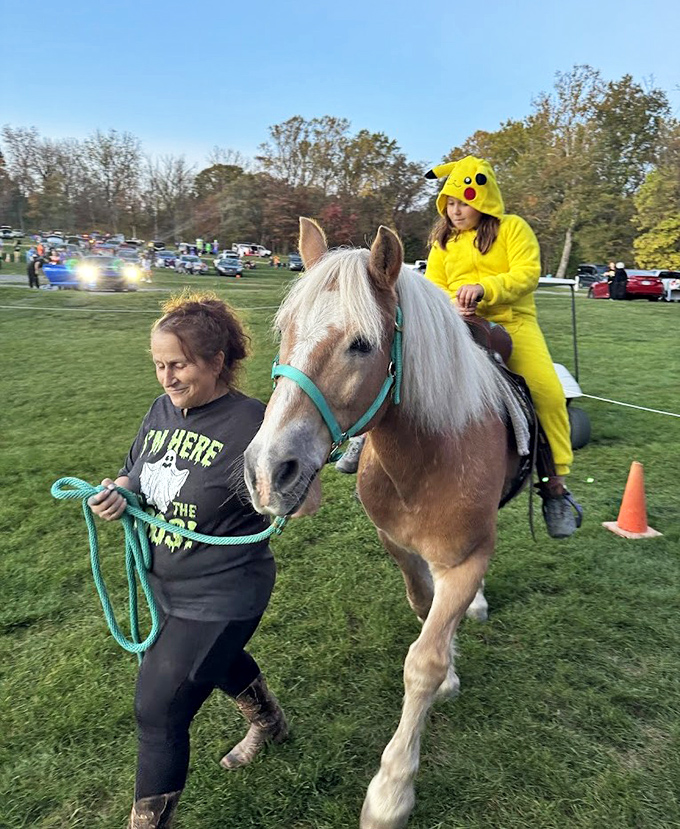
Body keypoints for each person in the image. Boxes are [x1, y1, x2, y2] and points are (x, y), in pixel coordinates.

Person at [87, 293, 289, 828]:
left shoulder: (253, 422)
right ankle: (269, 720)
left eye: (178, 364)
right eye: (159, 365)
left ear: (216, 361)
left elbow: (298, 496)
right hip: (166, 587)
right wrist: (118, 492)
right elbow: (133, 472)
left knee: (158, 708)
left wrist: (290, 484)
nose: (167, 378)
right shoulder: (161, 410)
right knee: (208, 663)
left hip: (223, 593)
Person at [425, 156, 581, 537]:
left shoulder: (513, 228)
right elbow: (432, 285)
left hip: (515, 324)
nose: (455, 211)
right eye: (449, 203)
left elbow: (527, 274)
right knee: (407, 369)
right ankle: (366, 443)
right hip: (455, 324)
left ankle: (555, 487)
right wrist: (452, 304)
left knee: (548, 392)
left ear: (484, 199)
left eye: (463, 202)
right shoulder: (443, 242)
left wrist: (485, 289)